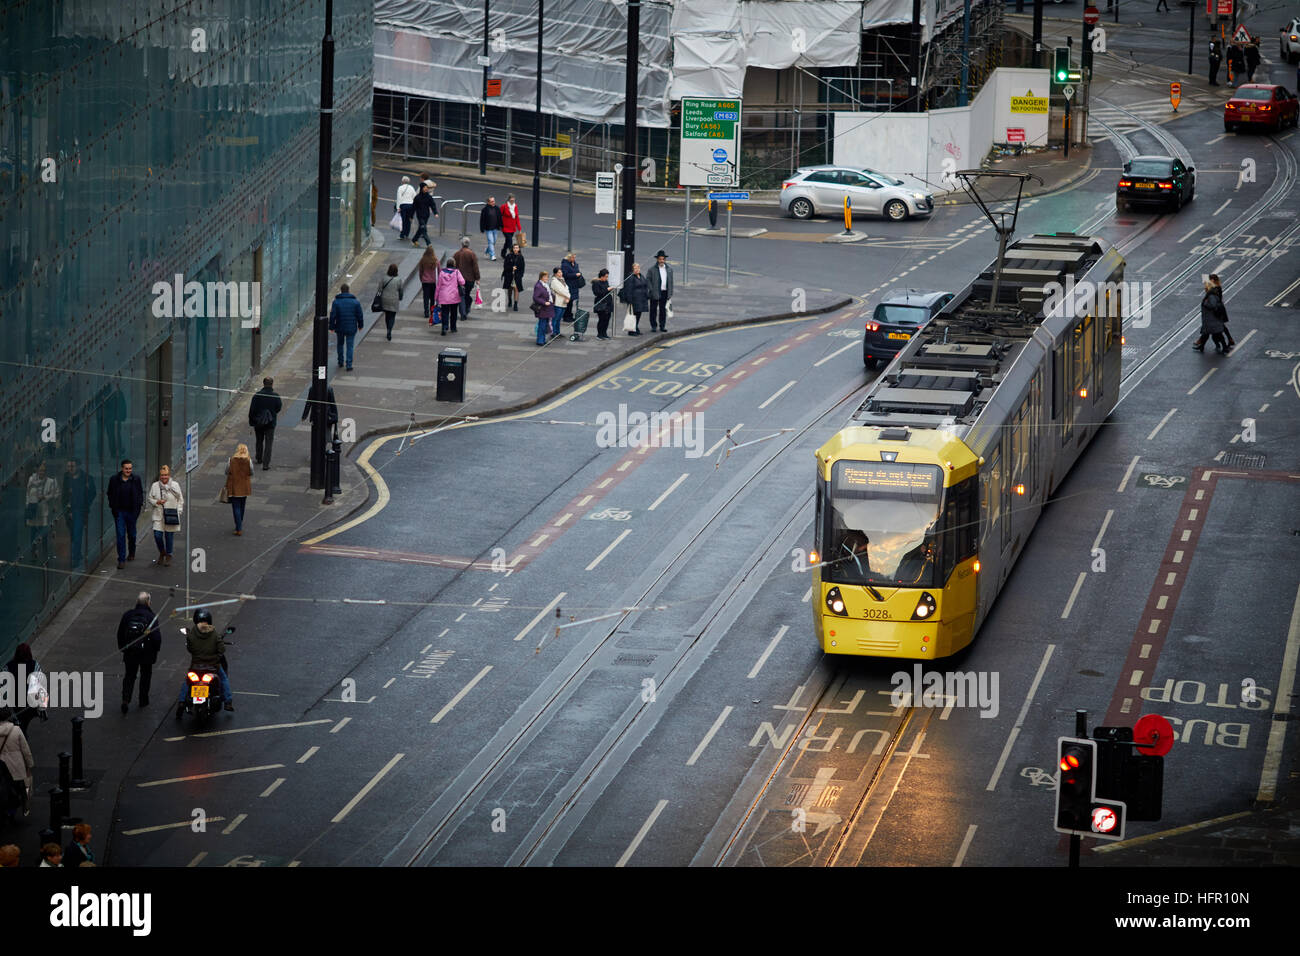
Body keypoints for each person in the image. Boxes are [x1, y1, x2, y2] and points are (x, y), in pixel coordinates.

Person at [177, 608, 232, 715]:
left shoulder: (192, 633)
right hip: (212, 666)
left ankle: (181, 701)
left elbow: (190, 649)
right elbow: (222, 649)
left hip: (196, 666)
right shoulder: (214, 633)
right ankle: (228, 702)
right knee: (224, 678)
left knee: (187, 682)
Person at [118, 591, 161, 713]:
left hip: (130, 651)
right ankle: (143, 700)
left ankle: (125, 699)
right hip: (147, 653)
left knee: (129, 676)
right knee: (145, 675)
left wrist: (123, 648)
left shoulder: (127, 615)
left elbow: (120, 633)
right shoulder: (151, 617)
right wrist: (155, 650)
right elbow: (156, 637)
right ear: (148, 602)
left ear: (137, 602)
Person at [106, 458, 144, 569]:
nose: (128, 470)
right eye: (126, 468)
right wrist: (113, 506)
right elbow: (109, 493)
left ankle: (132, 552)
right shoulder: (114, 480)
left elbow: (140, 494)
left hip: (132, 512)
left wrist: (138, 508)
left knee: (132, 534)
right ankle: (121, 559)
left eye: (130, 468)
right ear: (122, 469)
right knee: (121, 535)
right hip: (120, 512)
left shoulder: (136, 479)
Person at [0, 708, 34, 819]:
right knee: (17, 787)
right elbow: (25, 750)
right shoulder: (16, 730)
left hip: (1, 765)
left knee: (5, 786)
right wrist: (29, 764)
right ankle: (13, 811)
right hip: (15, 765)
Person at [62, 458, 95, 567]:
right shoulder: (66, 478)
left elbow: (92, 492)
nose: (70, 469)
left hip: (80, 510)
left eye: (72, 467)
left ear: (78, 466)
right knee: (73, 533)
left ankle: (75, 558)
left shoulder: (86, 478)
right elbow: (64, 495)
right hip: (70, 511)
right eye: (68, 467)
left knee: (77, 534)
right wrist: (67, 510)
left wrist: (86, 504)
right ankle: (77, 553)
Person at [148, 465, 183, 567]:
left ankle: (169, 555)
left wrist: (179, 511)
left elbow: (180, 499)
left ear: (169, 475)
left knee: (169, 536)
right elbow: (150, 498)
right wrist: (157, 502)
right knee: (157, 535)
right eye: (162, 475)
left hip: (171, 515)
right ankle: (162, 552)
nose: (164, 477)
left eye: (166, 475)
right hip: (158, 515)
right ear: (160, 475)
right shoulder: (155, 486)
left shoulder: (175, 485)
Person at [3, 644, 41, 734]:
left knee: (17, 726)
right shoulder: (34, 664)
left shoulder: (8, 666)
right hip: (28, 705)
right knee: (24, 725)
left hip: (13, 704)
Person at [248, 377, 282, 470]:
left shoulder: (257, 396)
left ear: (263, 384)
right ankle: (266, 464)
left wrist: (252, 421)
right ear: (272, 384)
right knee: (268, 443)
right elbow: (278, 408)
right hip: (270, 423)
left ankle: (259, 458)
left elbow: (252, 410)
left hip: (258, 423)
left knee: (259, 441)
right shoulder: (275, 396)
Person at [328, 283, 364, 371]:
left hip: (340, 327)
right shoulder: (355, 302)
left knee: (340, 344)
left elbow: (333, 316)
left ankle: (340, 361)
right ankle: (349, 364)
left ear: (341, 291)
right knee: (350, 346)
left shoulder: (336, 302)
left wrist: (331, 327)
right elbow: (360, 315)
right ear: (348, 290)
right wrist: (360, 325)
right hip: (351, 327)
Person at [24, 462, 58, 555]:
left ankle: (44, 552)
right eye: (40, 470)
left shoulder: (51, 481)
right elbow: (27, 493)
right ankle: (33, 551)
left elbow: (54, 494)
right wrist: (28, 505)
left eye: (43, 470)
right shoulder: (31, 479)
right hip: (33, 510)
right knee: (33, 533)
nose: (42, 472)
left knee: (44, 533)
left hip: (43, 511)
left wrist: (45, 497)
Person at [1192, 278, 1229, 353]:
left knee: (1215, 334)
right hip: (1210, 319)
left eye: (1206, 287)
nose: (1205, 288)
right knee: (1207, 333)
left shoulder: (1211, 295)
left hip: (1212, 319)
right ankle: (1202, 346)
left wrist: (1205, 303)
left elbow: (1213, 305)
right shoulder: (1211, 294)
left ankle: (1224, 347)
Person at [224, 443, 253, 535]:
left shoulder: (231, 460)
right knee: (242, 505)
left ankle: (238, 527)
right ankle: (239, 523)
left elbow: (226, 471)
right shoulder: (249, 460)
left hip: (234, 486)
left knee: (236, 507)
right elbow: (251, 472)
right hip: (245, 486)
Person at [435, 256, 466, 335]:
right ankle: (453, 327)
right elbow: (462, 282)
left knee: (445, 313)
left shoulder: (442, 272)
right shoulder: (456, 272)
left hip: (444, 296)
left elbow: (438, 286)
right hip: (454, 296)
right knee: (453, 312)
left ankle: (444, 327)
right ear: (454, 264)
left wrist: (436, 297)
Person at [618, 262, 650, 335]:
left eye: (638, 268)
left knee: (638, 314)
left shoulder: (641, 276)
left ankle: (636, 328)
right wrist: (630, 300)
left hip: (641, 299)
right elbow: (629, 289)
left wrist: (647, 295)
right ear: (633, 269)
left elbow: (645, 286)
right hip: (634, 300)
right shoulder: (631, 277)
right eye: (635, 268)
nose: (637, 269)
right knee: (634, 315)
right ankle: (632, 330)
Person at [454, 237, 481, 320]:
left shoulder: (457, 254)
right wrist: (477, 278)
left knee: (462, 295)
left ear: (462, 244)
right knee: (466, 295)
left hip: (459, 279)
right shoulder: (472, 254)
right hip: (470, 279)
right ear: (468, 244)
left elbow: (454, 266)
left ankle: (463, 312)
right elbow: (475, 267)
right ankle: (465, 310)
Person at [647, 250, 674, 332]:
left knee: (663, 310)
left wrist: (670, 292)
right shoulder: (652, 269)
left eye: (663, 259)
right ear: (657, 259)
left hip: (664, 292)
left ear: (665, 260)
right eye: (660, 259)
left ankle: (662, 326)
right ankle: (653, 326)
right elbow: (648, 280)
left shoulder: (669, 269)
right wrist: (651, 290)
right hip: (655, 292)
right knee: (653, 310)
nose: (661, 260)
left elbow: (671, 281)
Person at [1209, 274, 1235, 349]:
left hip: (1217, 309)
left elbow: (1212, 296)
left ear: (1213, 280)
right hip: (1219, 308)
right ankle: (1229, 339)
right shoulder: (1216, 287)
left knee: (1219, 325)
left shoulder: (1216, 288)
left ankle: (1225, 342)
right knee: (1221, 325)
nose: (1210, 281)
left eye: (1210, 279)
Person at [377, 262, 402, 341]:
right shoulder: (398, 280)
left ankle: (388, 328)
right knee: (392, 316)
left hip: (385, 300)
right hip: (394, 300)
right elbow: (401, 290)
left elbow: (379, 289)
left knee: (387, 315)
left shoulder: (384, 278)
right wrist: (400, 297)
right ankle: (389, 330)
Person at [531, 270, 554, 347]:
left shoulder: (544, 284)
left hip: (547, 308)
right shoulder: (538, 286)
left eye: (547, 277)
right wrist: (544, 302)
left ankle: (542, 339)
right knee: (542, 325)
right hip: (542, 309)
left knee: (544, 324)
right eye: (545, 277)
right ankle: (540, 341)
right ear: (541, 277)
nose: (547, 278)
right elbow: (535, 297)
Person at [560, 252, 584, 324]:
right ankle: (566, 316)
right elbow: (565, 275)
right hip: (568, 285)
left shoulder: (575, 264)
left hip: (574, 285)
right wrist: (575, 275)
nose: (574, 259)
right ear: (569, 258)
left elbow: (577, 271)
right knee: (568, 301)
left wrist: (578, 274)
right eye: (573, 257)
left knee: (571, 301)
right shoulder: (565, 265)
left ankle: (569, 315)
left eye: (574, 257)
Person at [418, 246, 440, 322]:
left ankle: (426, 312)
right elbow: (439, 272)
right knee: (433, 298)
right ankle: (432, 311)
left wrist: (421, 279)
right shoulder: (436, 261)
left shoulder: (423, 260)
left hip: (425, 281)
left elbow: (420, 271)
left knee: (426, 297)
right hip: (433, 282)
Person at [591, 269, 615, 339]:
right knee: (602, 319)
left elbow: (606, 291)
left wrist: (610, 290)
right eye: (605, 277)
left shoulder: (606, 282)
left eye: (607, 277)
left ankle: (604, 333)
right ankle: (599, 334)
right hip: (601, 304)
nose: (606, 278)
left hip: (608, 303)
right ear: (601, 276)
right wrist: (607, 290)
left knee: (607, 319)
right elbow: (597, 293)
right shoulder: (596, 283)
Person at [548, 267, 570, 339]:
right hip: (557, 302)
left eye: (561, 272)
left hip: (563, 302)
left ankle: (558, 332)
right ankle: (553, 333)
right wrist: (568, 296)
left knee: (559, 319)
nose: (561, 273)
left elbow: (567, 288)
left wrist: (567, 297)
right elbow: (560, 290)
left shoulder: (562, 279)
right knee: (555, 318)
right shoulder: (554, 281)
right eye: (559, 272)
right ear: (555, 273)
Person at [502, 243, 525, 311]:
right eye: (514, 248)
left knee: (516, 289)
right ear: (512, 249)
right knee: (510, 289)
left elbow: (522, 267)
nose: (515, 249)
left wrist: (520, 275)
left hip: (517, 276)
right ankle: (510, 299)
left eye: (517, 248)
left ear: (519, 249)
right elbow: (505, 266)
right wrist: (512, 268)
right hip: (509, 275)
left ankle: (515, 304)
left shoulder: (521, 257)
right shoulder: (509, 256)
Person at [412, 181, 436, 247]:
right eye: (425, 187)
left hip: (426, 215)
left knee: (421, 228)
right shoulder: (417, 198)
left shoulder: (429, 197)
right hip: (420, 215)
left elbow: (432, 205)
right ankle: (428, 243)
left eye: (427, 187)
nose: (426, 189)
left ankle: (414, 239)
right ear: (422, 188)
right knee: (423, 228)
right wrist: (411, 216)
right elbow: (413, 207)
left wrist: (435, 212)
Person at [480, 195, 503, 261]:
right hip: (488, 229)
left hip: (495, 228)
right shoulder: (485, 210)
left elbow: (499, 218)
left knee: (494, 241)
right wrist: (482, 228)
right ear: (488, 202)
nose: (493, 202)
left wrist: (501, 226)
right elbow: (482, 220)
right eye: (492, 201)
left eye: (494, 201)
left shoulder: (497, 208)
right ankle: (492, 255)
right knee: (491, 241)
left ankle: (487, 250)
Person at [396, 175, 416, 239]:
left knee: (403, 220)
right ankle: (407, 234)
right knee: (408, 220)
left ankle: (402, 235)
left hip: (403, 205)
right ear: (408, 181)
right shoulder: (411, 187)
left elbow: (399, 198)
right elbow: (414, 197)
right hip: (411, 205)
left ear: (402, 181)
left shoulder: (400, 188)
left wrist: (398, 207)